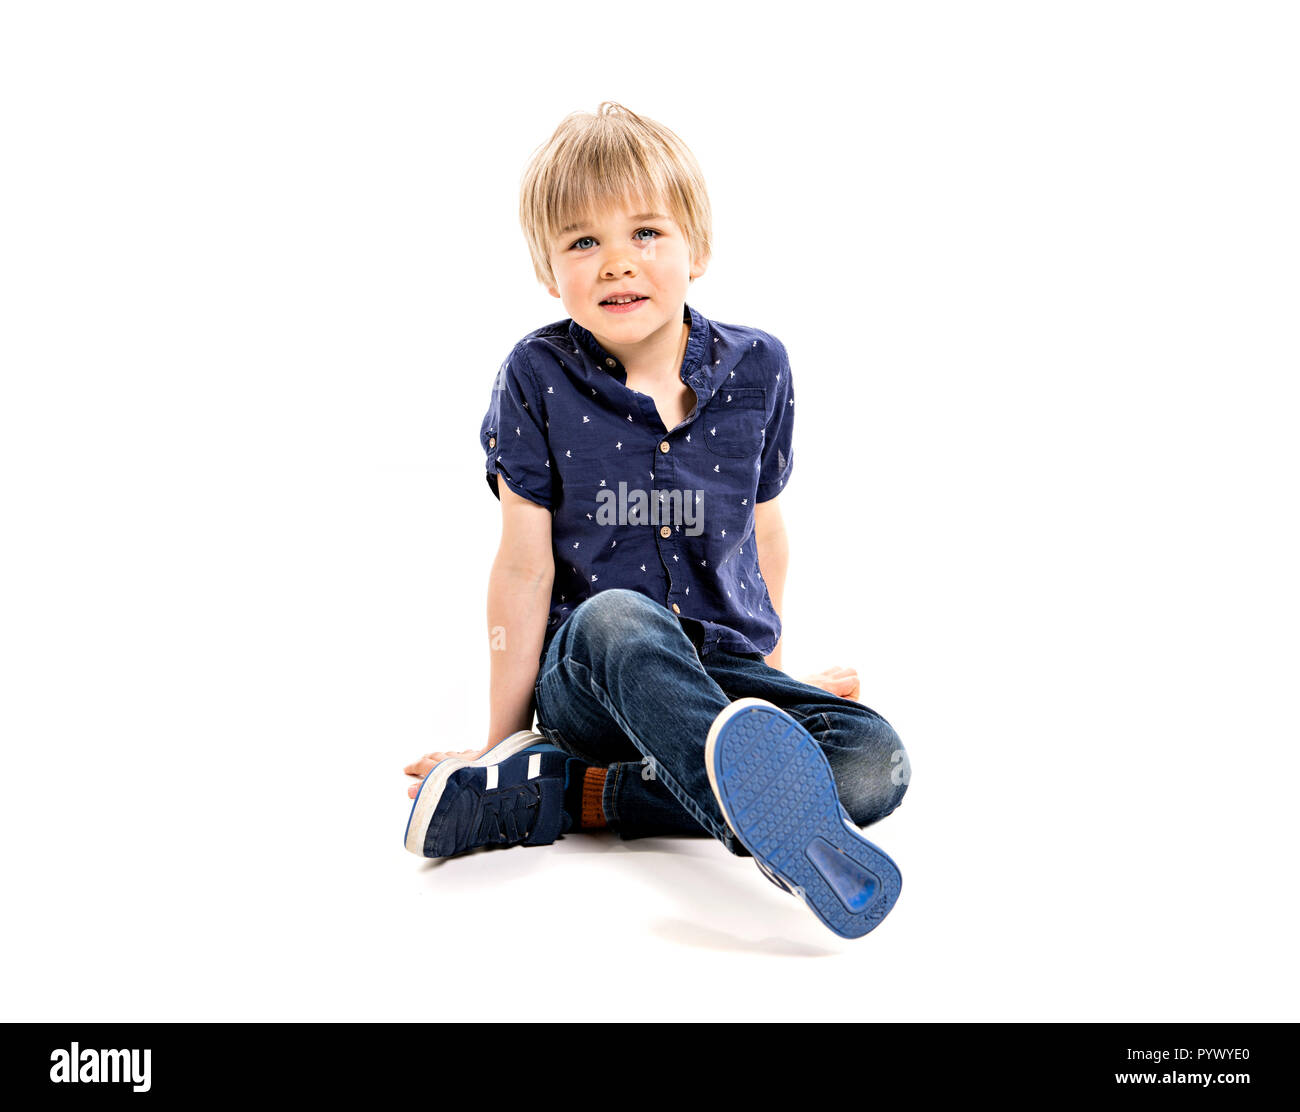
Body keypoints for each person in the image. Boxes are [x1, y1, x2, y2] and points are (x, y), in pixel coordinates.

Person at [402, 102, 910, 938]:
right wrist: (500, 744)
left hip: (716, 666)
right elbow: (524, 567)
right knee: (617, 615)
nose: (614, 264)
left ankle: (586, 795)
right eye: (581, 243)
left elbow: (766, 535)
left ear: (696, 251)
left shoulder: (760, 370)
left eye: (645, 234)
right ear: (547, 269)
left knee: (872, 762)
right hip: (595, 668)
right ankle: (724, 807)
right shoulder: (537, 376)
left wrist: (771, 692)